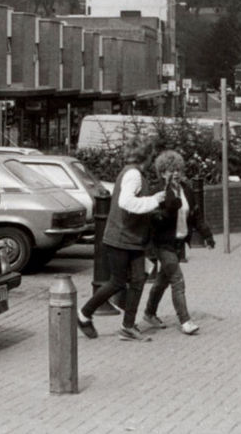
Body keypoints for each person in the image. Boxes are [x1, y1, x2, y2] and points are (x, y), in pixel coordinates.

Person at [77, 136, 166, 342]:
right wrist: (154, 200)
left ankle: (128, 326)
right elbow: (126, 202)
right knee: (118, 281)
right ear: (147, 156)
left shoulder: (132, 172)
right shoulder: (134, 175)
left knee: (138, 280)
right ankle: (84, 314)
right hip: (121, 237)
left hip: (132, 238)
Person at [142, 150, 214, 336]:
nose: (174, 173)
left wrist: (207, 235)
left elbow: (196, 215)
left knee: (162, 281)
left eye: (177, 169)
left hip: (178, 243)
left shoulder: (186, 190)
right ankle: (185, 321)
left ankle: (149, 313)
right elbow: (153, 220)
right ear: (162, 173)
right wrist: (167, 207)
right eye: (169, 170)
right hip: (162, 244)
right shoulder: (157, 192)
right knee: (177, 280)